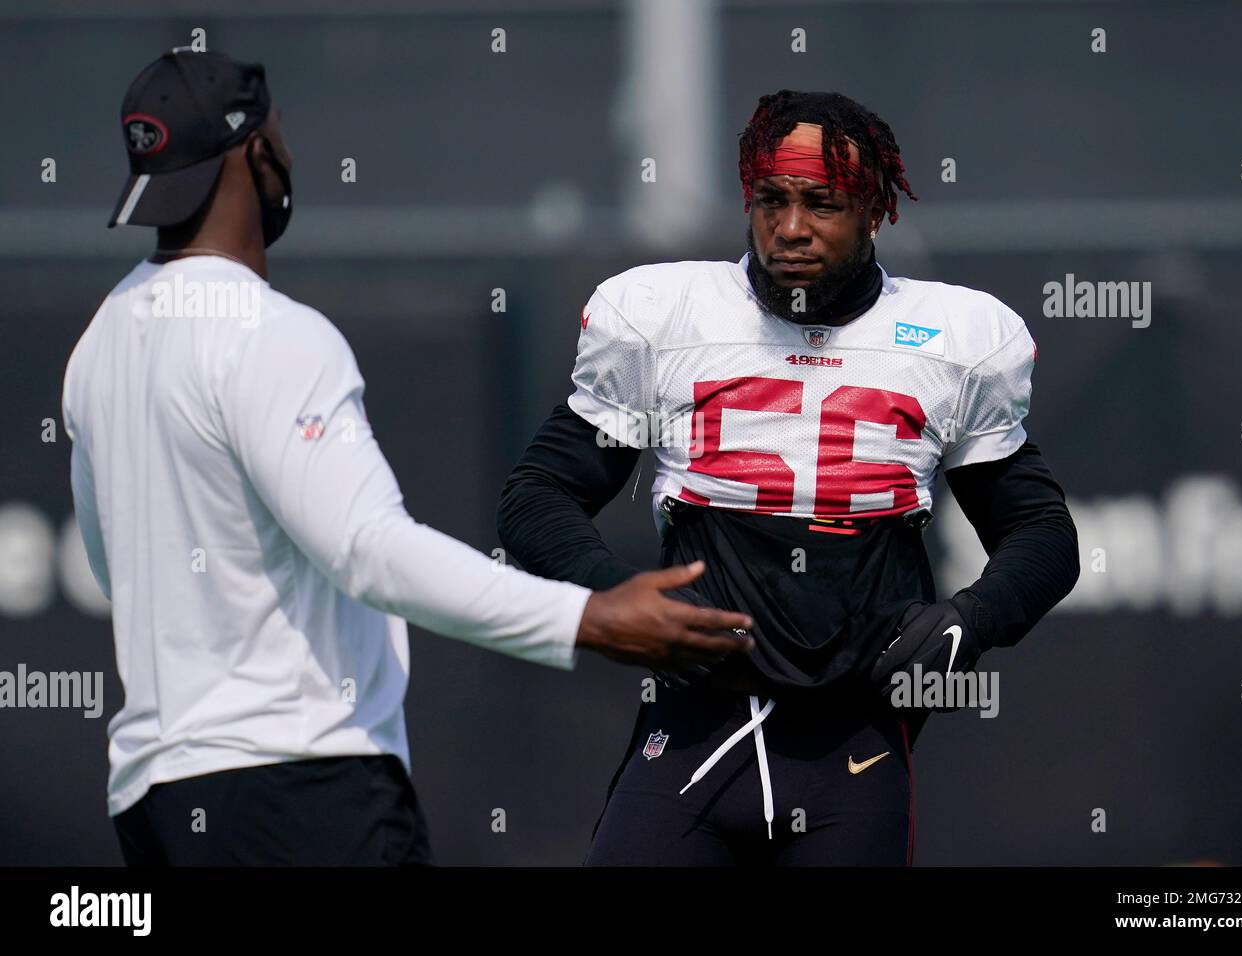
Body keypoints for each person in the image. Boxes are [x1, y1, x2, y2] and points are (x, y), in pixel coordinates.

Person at [63, 49, 751, 867]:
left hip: (157, 805)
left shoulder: (101, 343)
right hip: (302, 795)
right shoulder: (272, 333)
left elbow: (116, 570)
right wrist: (589, 618)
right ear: (258, 151)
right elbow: (368, 550)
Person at [498, 90, 1080, 866]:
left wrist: (972, 620)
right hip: (693, 729)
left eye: (822, 203)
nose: (791, 228)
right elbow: (537, 495)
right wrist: (616, 593)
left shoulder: (954, 341)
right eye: (772, 200)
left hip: (854, 745)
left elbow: (1041, 534)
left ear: (874, 213)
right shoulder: (665, 318)